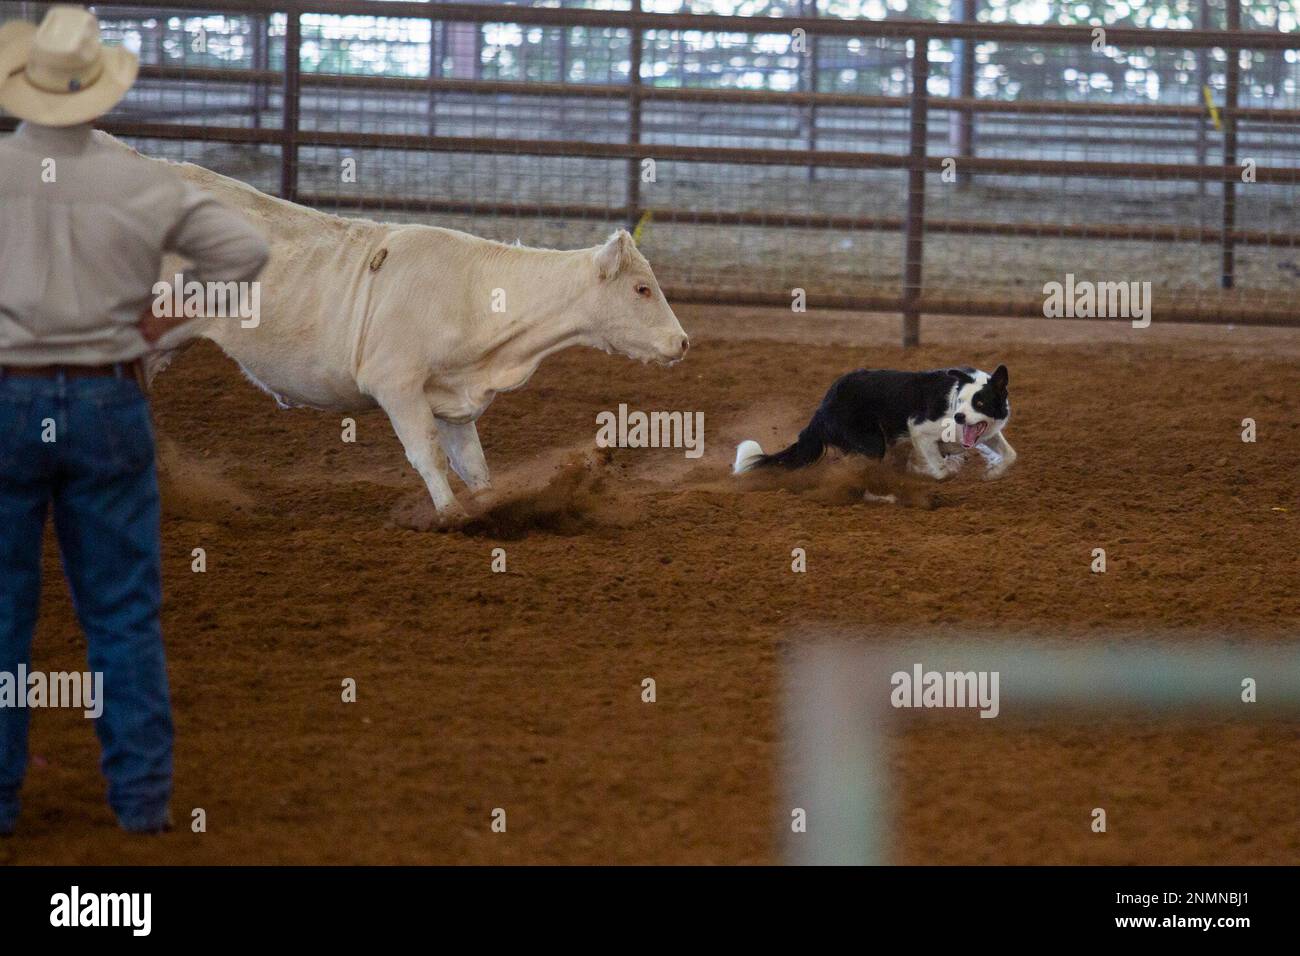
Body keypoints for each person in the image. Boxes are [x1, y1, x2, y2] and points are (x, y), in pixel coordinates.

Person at [0, 6, 270, 834]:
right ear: (94, 95)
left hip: (9, 401)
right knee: (120, 611)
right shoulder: (143, 183)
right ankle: (143, 799)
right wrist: (165, 315)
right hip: (108, 400)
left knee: (6, 613)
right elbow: (247, 251)